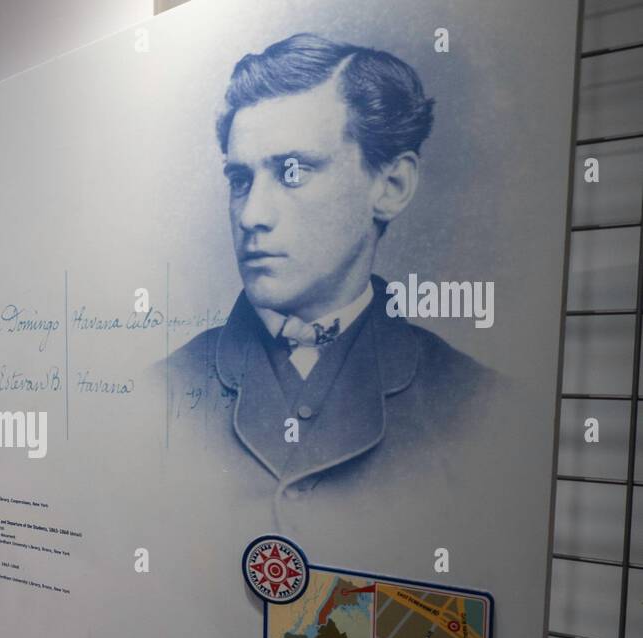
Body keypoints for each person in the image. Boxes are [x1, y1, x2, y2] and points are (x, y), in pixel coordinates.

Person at [161, 33, 495, 525]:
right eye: (240, 181)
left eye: (293, 172)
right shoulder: (160, 392)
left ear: (391, 186)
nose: (253, 214)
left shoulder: (479, 406)